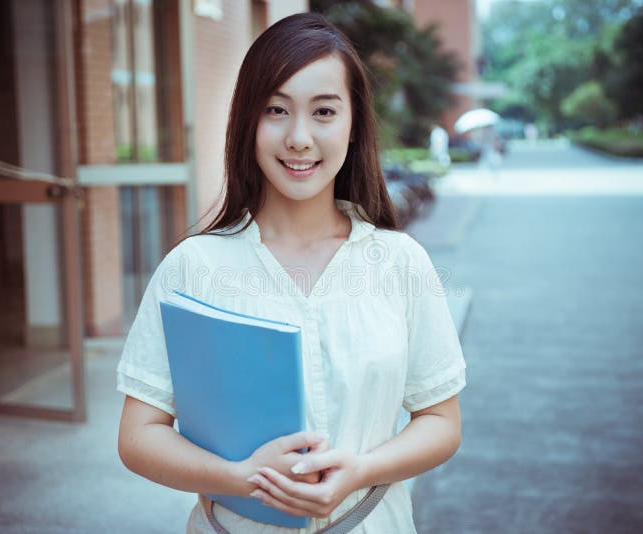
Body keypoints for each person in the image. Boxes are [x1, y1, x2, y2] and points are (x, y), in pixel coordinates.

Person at [117, 12, 466, 534]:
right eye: (276, 110)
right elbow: (138, 435)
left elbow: (440, 422)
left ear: (353, 127)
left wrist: (360, 471)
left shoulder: (399, 262)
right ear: (248, 124)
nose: (299, 137)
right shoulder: (193, 267)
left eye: (324, 111)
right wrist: (241, 477)